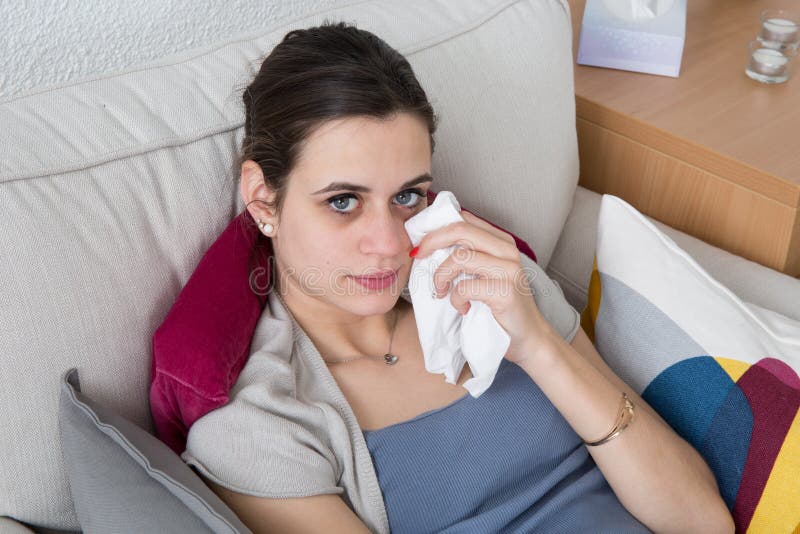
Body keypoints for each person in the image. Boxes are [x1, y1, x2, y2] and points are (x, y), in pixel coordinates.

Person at [179, 20, 734, 534]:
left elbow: (702, 521)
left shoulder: (499, 288)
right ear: (262, 199)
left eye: (407, 196)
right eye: (343, 201)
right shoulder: (260, 428)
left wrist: (539, 345)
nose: (393, 243)